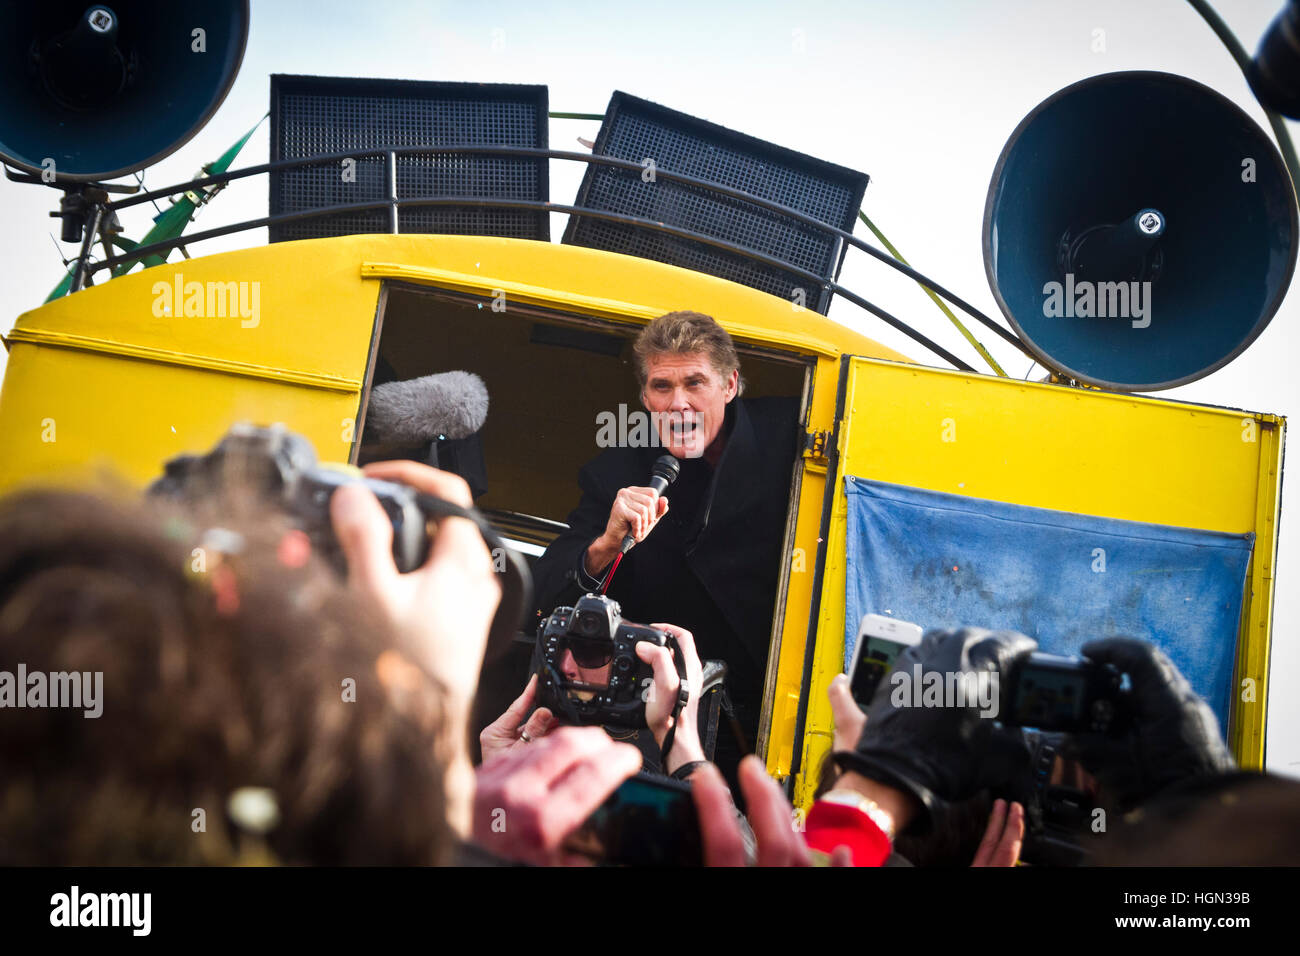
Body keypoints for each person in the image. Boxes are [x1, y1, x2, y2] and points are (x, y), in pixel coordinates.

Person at [531, 310, 801, 785]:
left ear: (731, 385)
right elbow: (548, 591)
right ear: (644, 396)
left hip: (773, 715)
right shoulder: (616, 471)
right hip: (645, 720)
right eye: (662, 386)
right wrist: (607, 544)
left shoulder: (793, 436)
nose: (678, 403)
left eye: (695, 383)